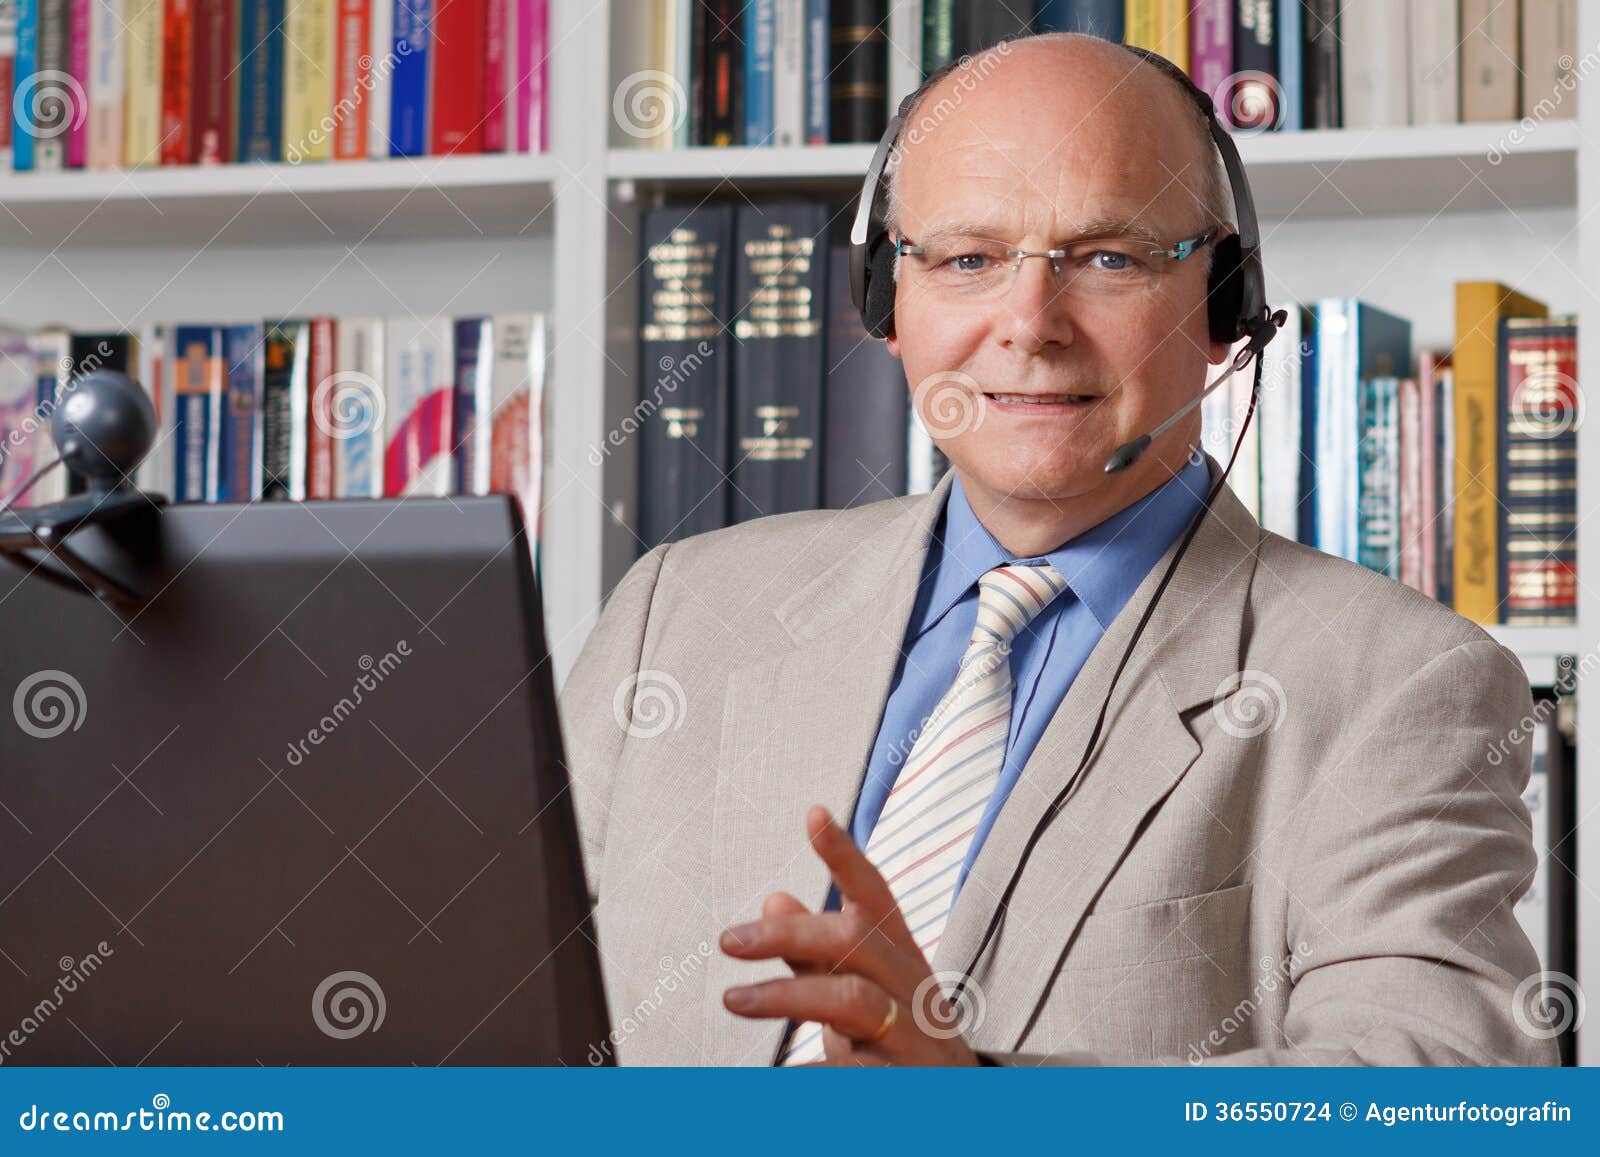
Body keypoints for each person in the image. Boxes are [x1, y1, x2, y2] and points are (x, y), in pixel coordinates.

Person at [559, 32, 1557, 1067]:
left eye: (1109, 258)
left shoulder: (1397, 679)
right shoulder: (673, 611)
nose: (1030, 323)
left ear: (1221, 303)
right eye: (967, 259)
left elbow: (1440, 1088)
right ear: (884, 299)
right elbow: (483, 1006)